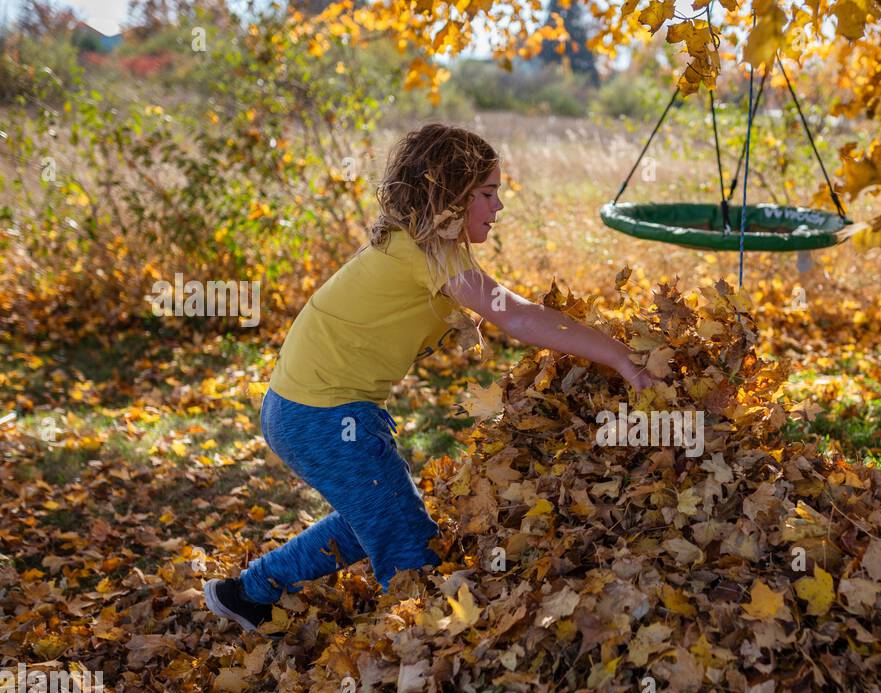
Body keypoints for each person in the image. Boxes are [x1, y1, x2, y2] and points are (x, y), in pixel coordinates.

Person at [204, 123, 661, 632]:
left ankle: (248, 593)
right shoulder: (429, 252)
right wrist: (619, 357)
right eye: (487, 195)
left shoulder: (414, 246)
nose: (498, 208)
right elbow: (516, 315)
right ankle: (419, 641)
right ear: (447, 197)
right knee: (406, 538)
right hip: (324, 415)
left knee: (373, 517)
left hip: (301, 408)